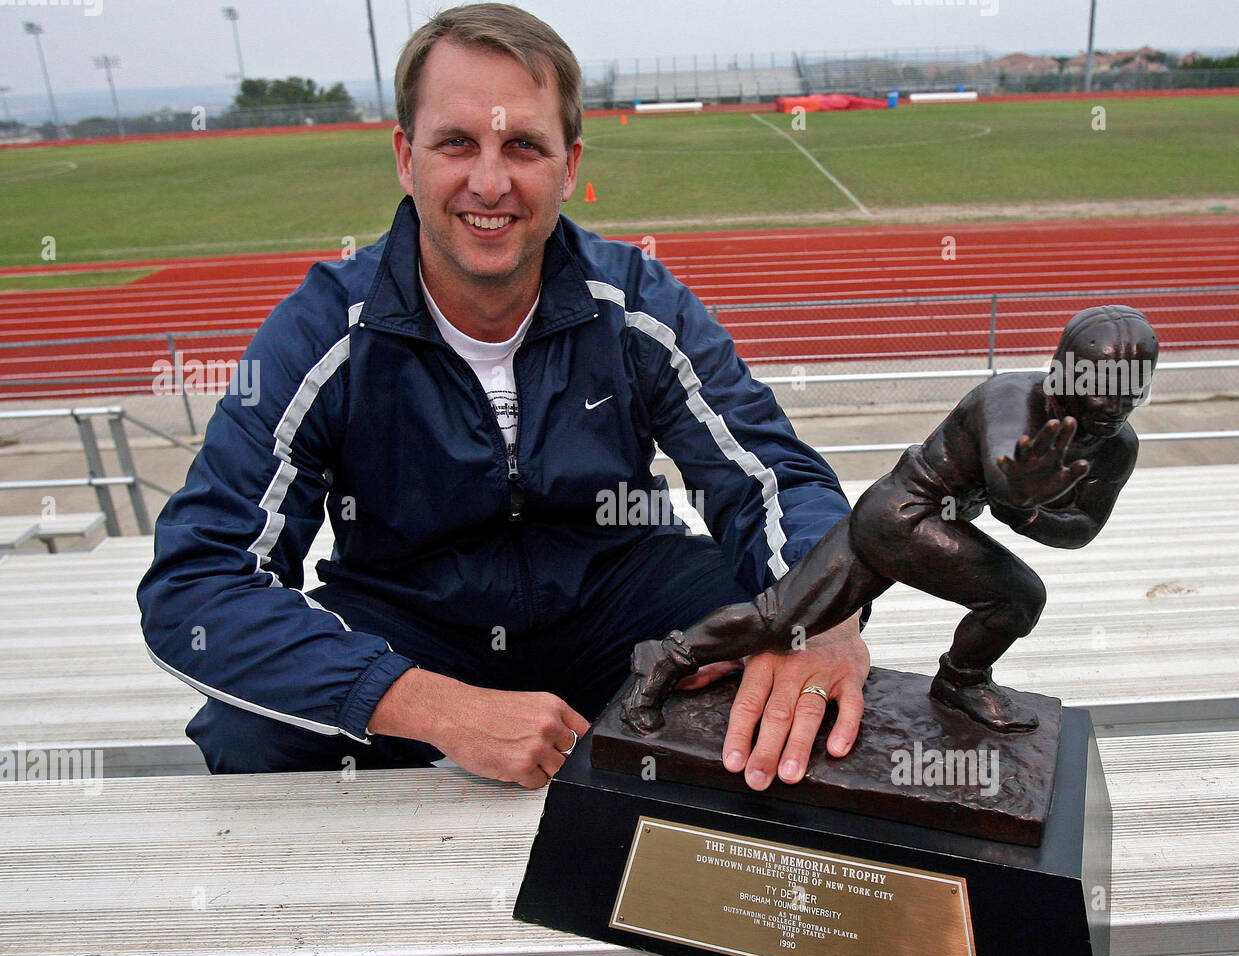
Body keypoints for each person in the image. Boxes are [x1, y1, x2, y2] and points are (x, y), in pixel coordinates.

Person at [137, 3, 870, 801]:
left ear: (568, 163)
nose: (490, 182)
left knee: (791, 678)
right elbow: (199, 580)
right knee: (250, 733)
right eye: (457, 143)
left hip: (621, 597)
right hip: (411, 621)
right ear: (404, 156)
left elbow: (770, 475)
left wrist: (821, 614)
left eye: (522, 144)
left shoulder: (635, 304)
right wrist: (432, 705)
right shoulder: (322, 333)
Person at [623, 304, 1156, 735]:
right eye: (1095, 403)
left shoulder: (1116, 445)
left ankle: (666, 657)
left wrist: (1031, 511)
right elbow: (1006, 483)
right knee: (1017, 596)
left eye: (1123, 406)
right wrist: (1025, 502)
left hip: (923, 516)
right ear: (1061, 375)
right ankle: (961, 680)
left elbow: (1080, 530)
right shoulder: (1010, 398)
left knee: (781, 620)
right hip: (903, 513)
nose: (1105, 420)